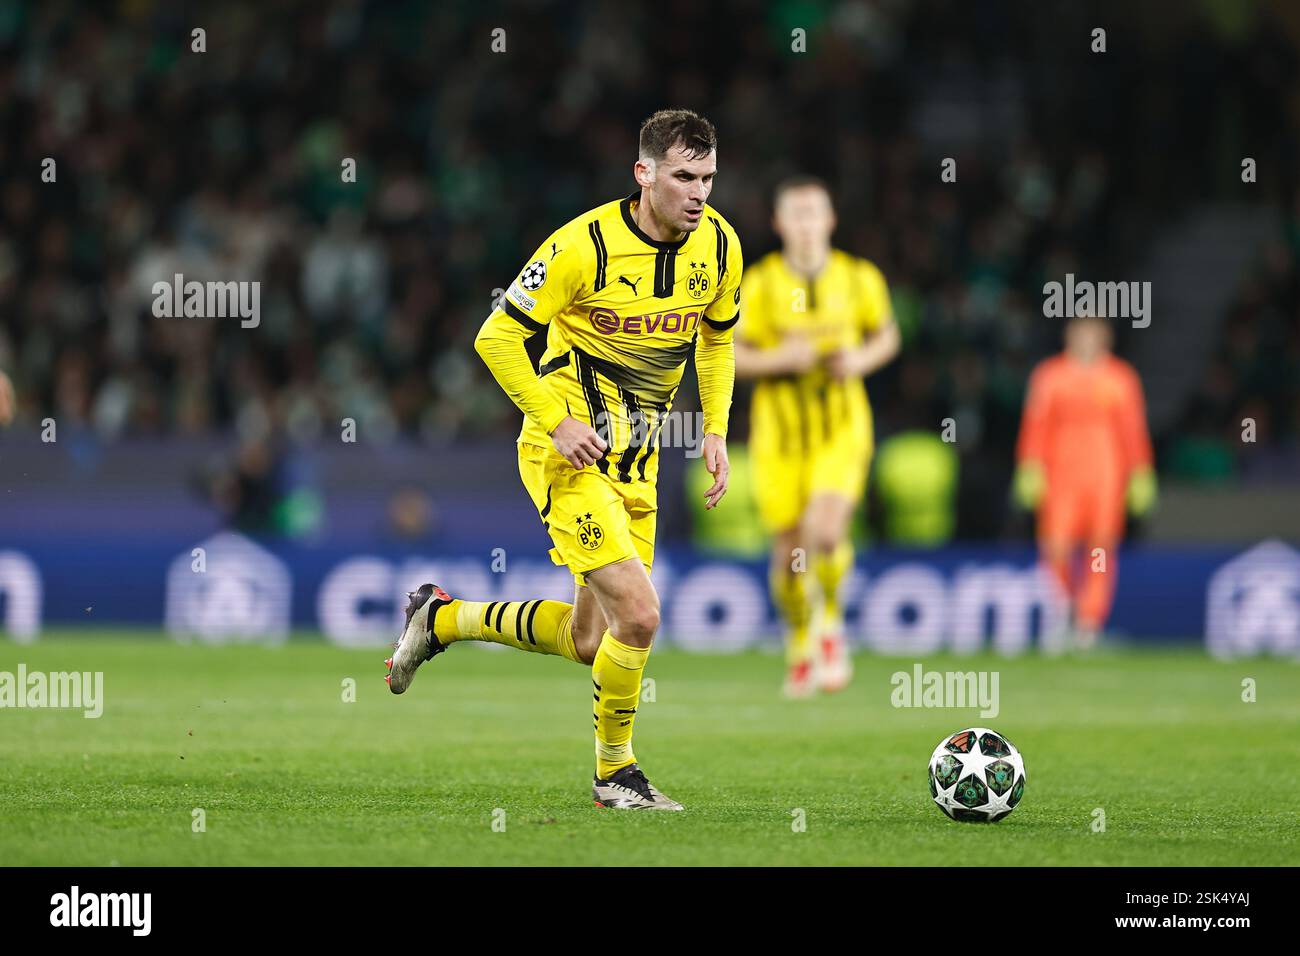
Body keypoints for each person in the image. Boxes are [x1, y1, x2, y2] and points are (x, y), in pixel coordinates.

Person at [387, 109, 743, 810]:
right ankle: (616, 774)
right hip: (569, 457)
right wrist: (556, 422)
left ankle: (440, 618)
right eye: (682, 177)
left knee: (591, 640)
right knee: (639, 618)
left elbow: (717, 339)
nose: (698, 193)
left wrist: (716, 429)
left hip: (640, 465)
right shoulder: (583, 247)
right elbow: (495, 338)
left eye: (707, 177)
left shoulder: (723, 247)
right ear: (644, 174)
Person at [734, 177, 900, 697]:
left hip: (842, 429)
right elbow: (729, 354)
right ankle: (800, 637)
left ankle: (830, 623)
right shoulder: (759, 283)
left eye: (815, 213)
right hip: (779, 438)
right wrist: (781, 359)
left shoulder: (859, 278)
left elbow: (888, 336)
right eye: (796, 214)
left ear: (830, 220)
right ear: (780, 224)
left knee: (825, 534)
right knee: (788, 556)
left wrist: (858, 361)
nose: (807, 224)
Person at [1013, 313, 1156, 648]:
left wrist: (1140, 470)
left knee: (1100, 550)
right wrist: (1030, 465)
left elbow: (1132, 429)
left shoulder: (1121, 378)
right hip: (1061, 473)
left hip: (1106, 475)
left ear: (1105, 338)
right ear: (1069, 336)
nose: (1086, 339)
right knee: (1056, 545)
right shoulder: (1050, 376)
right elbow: (1036, 423)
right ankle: (1058, 612)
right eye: (1080, 332)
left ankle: (1088, 623)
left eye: (1093, 333)